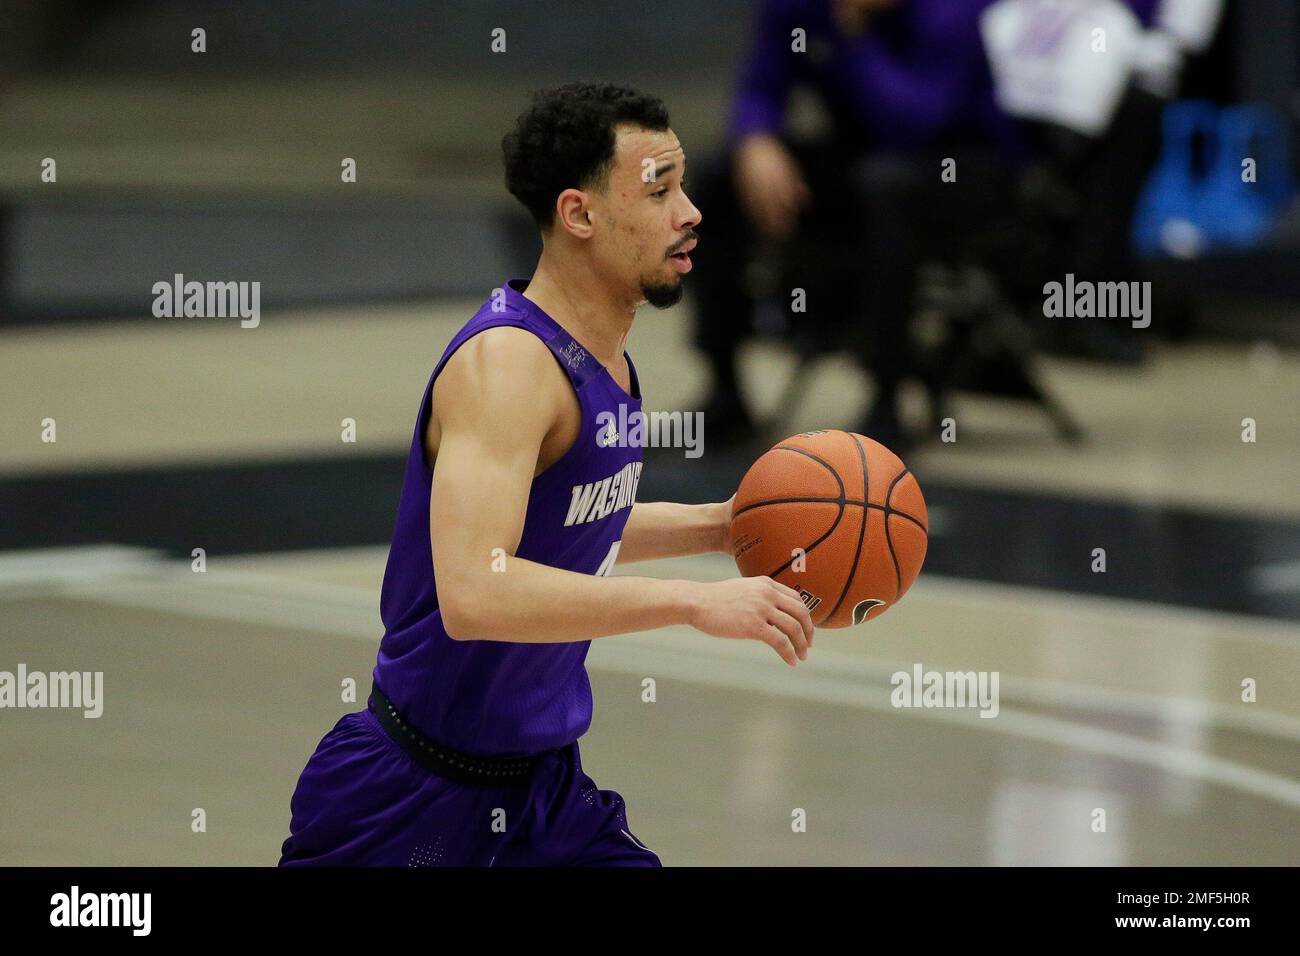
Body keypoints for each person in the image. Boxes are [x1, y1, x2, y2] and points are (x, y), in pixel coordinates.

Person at [278, 82, 815, 867]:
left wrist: (719, 526)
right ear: (580, 214)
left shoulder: (609, 362)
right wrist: (693, 604)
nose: (691, 211)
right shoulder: (510, 368)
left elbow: (564, 525)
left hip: (542, 797)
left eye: (685, 184)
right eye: (659, 190)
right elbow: (476, 591)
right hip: (412, 801)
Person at [691, 0, 1018, 450]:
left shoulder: (954, 11)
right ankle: (725, 387)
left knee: (889, 188)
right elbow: (760, 88)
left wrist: (854, 32)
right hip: (866, 160)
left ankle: (887, 400)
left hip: (963, 166)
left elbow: (913, 123)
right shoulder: (799, 8)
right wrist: (755, 139)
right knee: (720, 179)